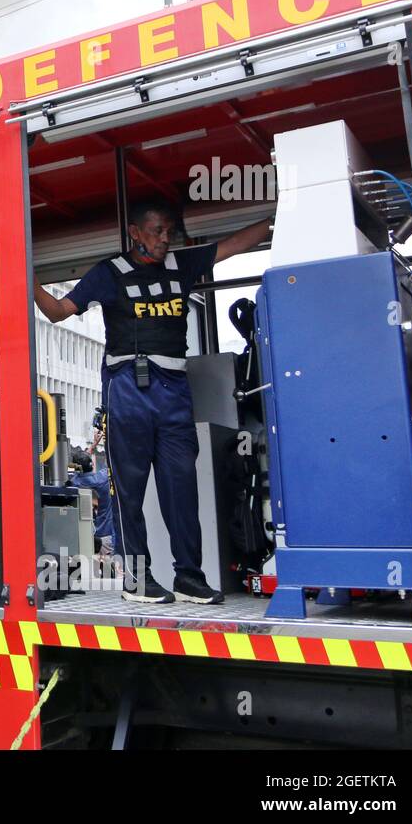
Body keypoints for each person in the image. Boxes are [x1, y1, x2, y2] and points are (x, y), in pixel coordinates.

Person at [34, 199, 271, 604]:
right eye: (157, 231)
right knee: (129, 491)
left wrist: (275, 217)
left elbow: (231, 245)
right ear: (135, 232)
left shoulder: (182, 264)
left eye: (169, 233)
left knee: (182, 488)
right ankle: (137, 580)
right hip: (128, 387)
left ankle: (189, 577)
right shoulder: (109, 274)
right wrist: (23, 273)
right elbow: (57, 312)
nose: (165, 240)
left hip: (175, 391)